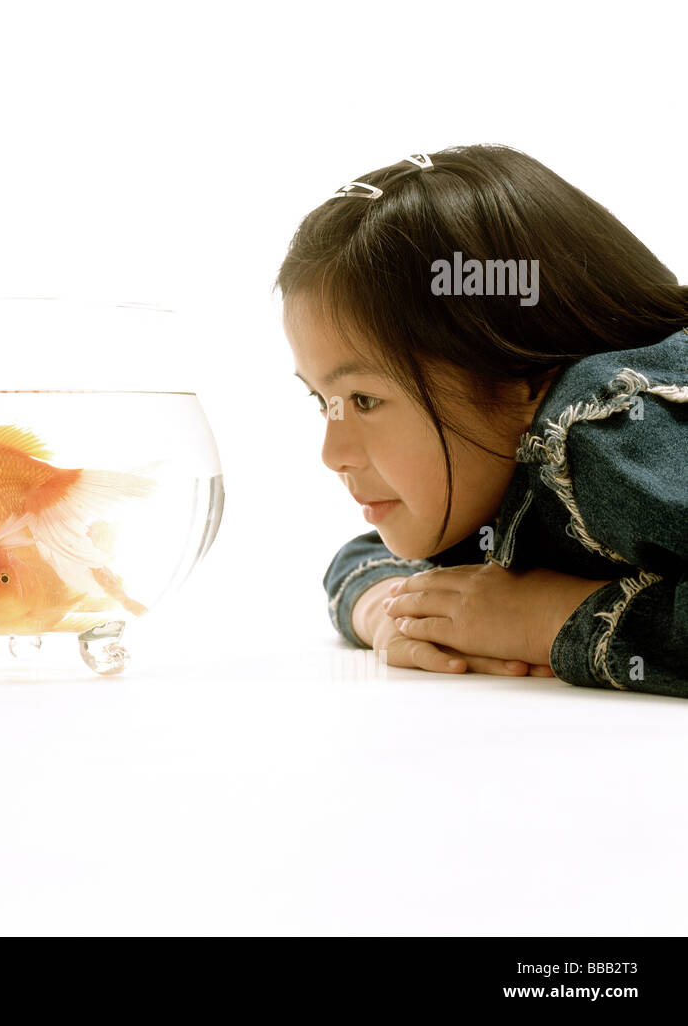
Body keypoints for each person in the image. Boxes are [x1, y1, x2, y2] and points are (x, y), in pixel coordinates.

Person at [277, 146, 688, 697]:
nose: (332, 454)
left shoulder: (604, 432)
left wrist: (548, 618)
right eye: (321, 401)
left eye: (365, 400)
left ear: (525, 380)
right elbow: (373, 553)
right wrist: (394, 612)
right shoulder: (493, 476)